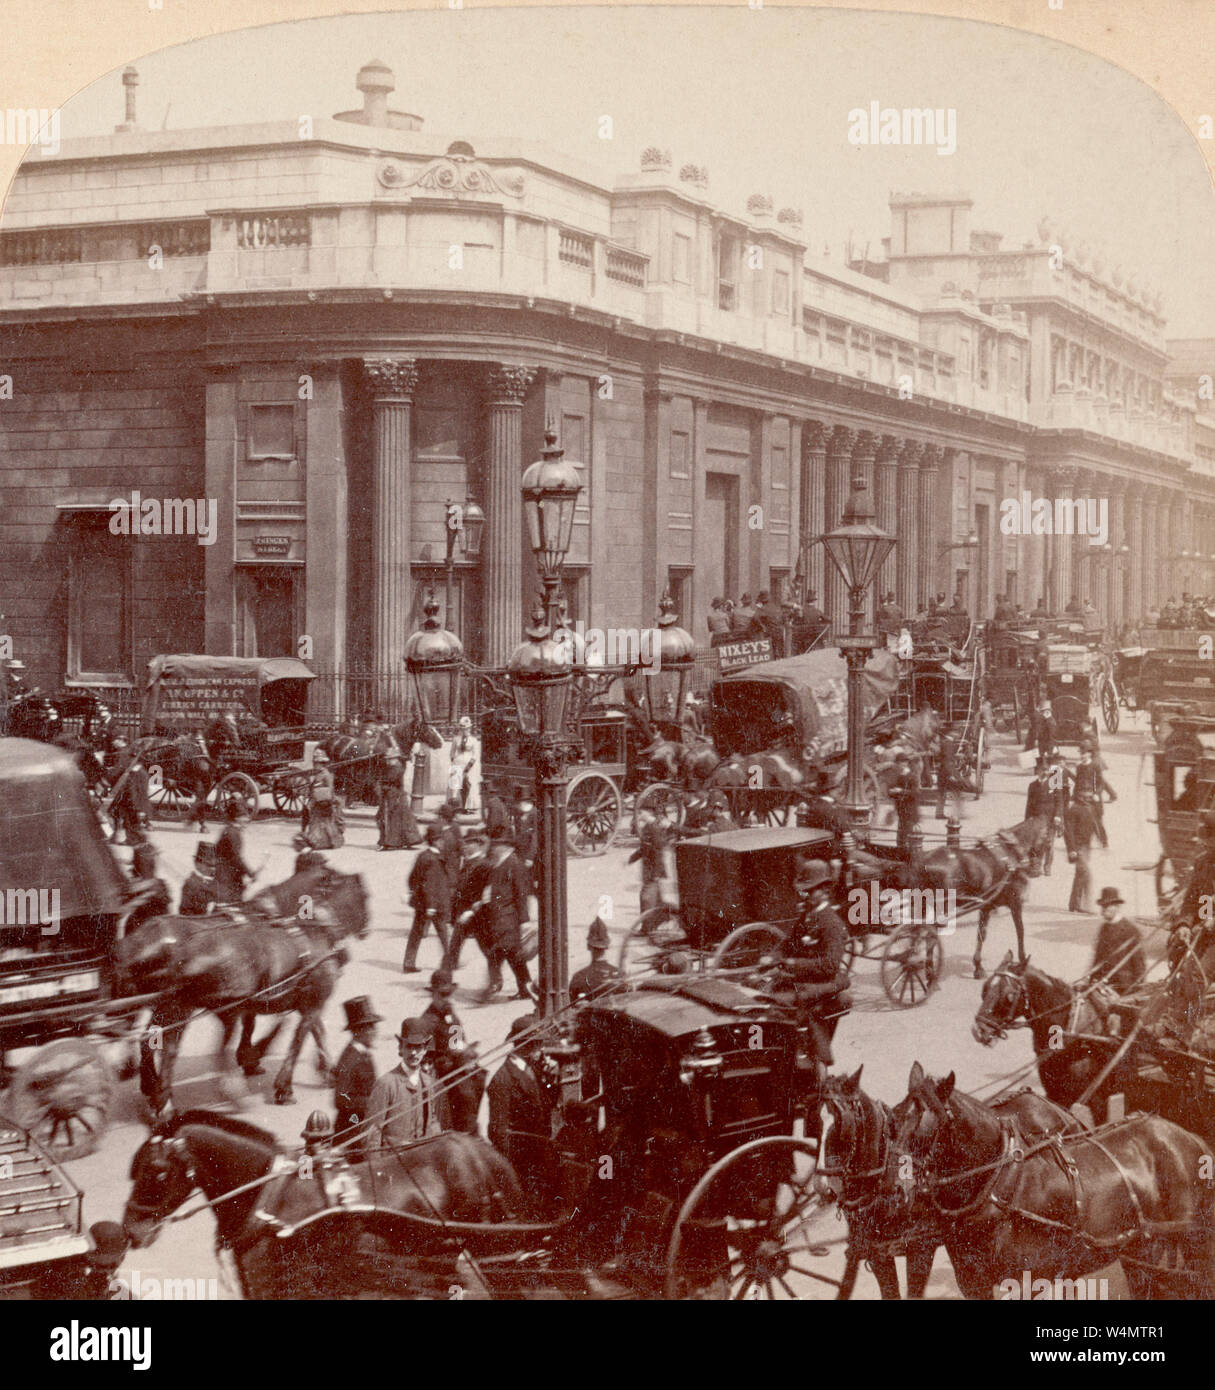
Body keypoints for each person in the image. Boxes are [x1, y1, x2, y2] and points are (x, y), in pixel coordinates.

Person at [771, 857, 850, 1064]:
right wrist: (771, 958)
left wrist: (795, 965)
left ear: (824, 890)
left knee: (778, 1005)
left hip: (820, 984)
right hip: (802, 979)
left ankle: (815, 1060)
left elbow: (830, 965)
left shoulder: (831, 923)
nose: (805, 895)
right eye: (804, 891)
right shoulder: (808, 915)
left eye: (810, 891)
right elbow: (790, 943)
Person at [487, 1014, 557, 1213]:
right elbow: (498, 1132)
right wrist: (511, 1172)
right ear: (526, 1046)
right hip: (520, 1163)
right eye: (538, 1045)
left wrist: (550, 1081)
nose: (542, 1050)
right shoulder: (502, 1079)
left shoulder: (533, 1069)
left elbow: (546, 1105)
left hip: (539, 1155)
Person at [420, 970, 485, 1136]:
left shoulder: (450, 1015)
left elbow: (458, 1038)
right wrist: (452, 1057)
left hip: (459, 1064)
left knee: (479, 1077)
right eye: (442, 995)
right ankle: (464, 1131)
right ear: (433, 994)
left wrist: (467, 1051)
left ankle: (470, 1126)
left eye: (449, 994)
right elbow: (426, 1057)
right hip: (443, 1070)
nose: (446, 999)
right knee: (465, 1093)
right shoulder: (428, 1021)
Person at [366, 1017, 448, 1147]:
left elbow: (432, 1123)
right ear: (400, 1048)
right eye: (409, 1047)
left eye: (418, 1047)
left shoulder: (429, 1083)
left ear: (425, 1049)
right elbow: (371, 1135)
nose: (413, 1053)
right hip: (392, 1157)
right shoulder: (386, 1084)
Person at [482, 825, 538, 1003]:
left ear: (505, 846)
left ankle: (494, 986)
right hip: (501, 918)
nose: (492, 847)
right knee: (513, 956)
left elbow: (522, 894)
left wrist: (524, 921)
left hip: (509, 919)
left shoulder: (514, 864)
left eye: (496, 844)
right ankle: (526, 987)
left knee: (498, 953)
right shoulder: (501, 863)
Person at [333, 996, 382, 1157]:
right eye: (370, 1027)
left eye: (374, 1026)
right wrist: (372, 1102)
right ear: (357, 1031)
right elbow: (340, 1099)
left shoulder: (363, 1053)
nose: (375, 1032)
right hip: (350, 1130)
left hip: (361, 1126)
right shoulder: (349, 1060)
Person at [403, 822, 452, 974]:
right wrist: (431, 905)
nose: (443, 842)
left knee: (416, 933)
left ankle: (408, 963)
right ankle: (449, 962)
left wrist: (415, 893)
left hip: (422, 903)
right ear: (435, 841)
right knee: (443, 934)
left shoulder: (423, 856)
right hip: (434, 904)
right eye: (441, 839)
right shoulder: (433, 859)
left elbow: (412, 879)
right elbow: (429, 884)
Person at [448, 830, 492, 971]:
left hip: (476, 913)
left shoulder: (484, 864)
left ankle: (499, 974)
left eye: (469, 843)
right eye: (465, 842)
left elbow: (487, 891)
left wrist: (473, 909)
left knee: (486, 947)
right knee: (454, 945)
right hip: (464, 911)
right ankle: (446, 974)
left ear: (478, 844)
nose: (465, 846)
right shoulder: (469, 861)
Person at [1091, 887, 1147, 994]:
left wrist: (1136, 991)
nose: (1103, 910)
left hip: (1123, 987)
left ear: (1117, 907)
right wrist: (1092, 979)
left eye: (1107, 906)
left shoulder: (1130, 930)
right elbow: (1098, 958)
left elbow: (1139, 964)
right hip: (1103, 984)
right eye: (1102, 906)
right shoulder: (1104, 928)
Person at [1024, 756, 1068, 876]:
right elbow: (1029, 804)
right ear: (1037, 771)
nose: (1044, 772)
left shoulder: (1054, 783)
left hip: (1050, 818)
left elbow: (1059, 801)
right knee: (1036, 843)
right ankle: (1036, 865)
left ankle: (1047, 866)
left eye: (1046, 769)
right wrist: (1027, 819)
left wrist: (1058, 816)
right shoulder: (1032, 785)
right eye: (1041, 769)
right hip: (1036, 818)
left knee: (1049, 844)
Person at [1072, 745, 1117, 849]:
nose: (1082, 756)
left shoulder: (1095, 766)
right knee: (1078, 818)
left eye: (1084, 753)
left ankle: (1104, 841)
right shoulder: (1079, 767)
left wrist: (1096, 794)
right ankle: (1079, 842)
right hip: (1081, 796)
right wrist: (1073, 797)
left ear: (1089, 754)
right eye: (1081, 753)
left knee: (1096, 820)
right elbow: (1077, 783)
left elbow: (1101, 783)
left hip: (1093, 797)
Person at [568, 917, 620, 1003]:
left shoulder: (579, 977)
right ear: (607, 946)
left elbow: (572, 1004)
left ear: (588, 946)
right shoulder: (620, 975)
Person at [302, 748, 344, 850]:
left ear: (322, 764)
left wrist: (316, 797)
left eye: (319, 763)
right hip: (316, 801)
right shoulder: (316, 774)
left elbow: (330, 789)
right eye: (316, 763)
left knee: (324, 823)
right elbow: (311, 787)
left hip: (324, 802)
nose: (316, 765)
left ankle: (325, 841)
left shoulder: (326, 774)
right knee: (315, 822)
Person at [376, 754, 421, 850]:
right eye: (387, 759)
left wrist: (381, 784)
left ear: (395, 759)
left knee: (388, 818)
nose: (387, 761)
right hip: (396, 796)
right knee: (401, 819)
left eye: (389, 759)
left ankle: (388, 842)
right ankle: (406, 841)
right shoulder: (396, 767)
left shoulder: (395, 768)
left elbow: (390, 780)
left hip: (393, 796)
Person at [124, 843, 172, 933]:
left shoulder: (160, 885)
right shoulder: (134, 887)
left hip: (156, 929)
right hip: (141, 931)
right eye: (150, 861)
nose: (154, 863)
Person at [108, 749, 150, 846]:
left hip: (135, 803)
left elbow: (142, 792)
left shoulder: (141, 773)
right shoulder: (133, 771)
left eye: (131, 758)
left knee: (133, 823)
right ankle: (131, 839)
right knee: (127, 821)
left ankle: (138, 841)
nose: (129, 760)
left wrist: (141, 809)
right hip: (129, 801)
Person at [214, 801, 254, 904]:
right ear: (237, 818)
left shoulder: (228, 830)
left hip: (224, 874)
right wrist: (250, 873)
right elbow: (236, 858)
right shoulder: (233, 833)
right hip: (228, 877)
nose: (247, 820)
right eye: (245, 817)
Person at [1063, 795, 1097, 914]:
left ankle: (1074, 905)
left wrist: (1102, 840)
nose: (1089, 795)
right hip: (1078, 847)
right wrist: (1072, 849)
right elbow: (1068, 831)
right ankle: (1086, 906)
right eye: (1086, 792)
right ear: (1079, 794)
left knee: (1080, 875)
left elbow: (1095, 824)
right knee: (1086, 875)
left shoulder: (1089, 807)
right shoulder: (1074, 809)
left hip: (1086, 846)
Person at [179, 840, 221, 915]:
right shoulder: (190, 883)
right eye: (208, 865)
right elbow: (185, 912)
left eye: (214, 866)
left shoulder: (214, 882)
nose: (212, 869)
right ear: (197, 864)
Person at [449, 715, 479, 812]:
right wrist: (454, 762)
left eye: (467, 728)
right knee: (455, 783)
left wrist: (468, 767)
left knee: (469, 783)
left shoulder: (473, 740)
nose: (465, 730)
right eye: (463, 729)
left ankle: (469, 806)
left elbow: (475, 755)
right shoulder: (456, 739)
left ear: (470, 728)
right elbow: (452, 752)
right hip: (457, 764)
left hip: (469, 765)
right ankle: (455, 805)